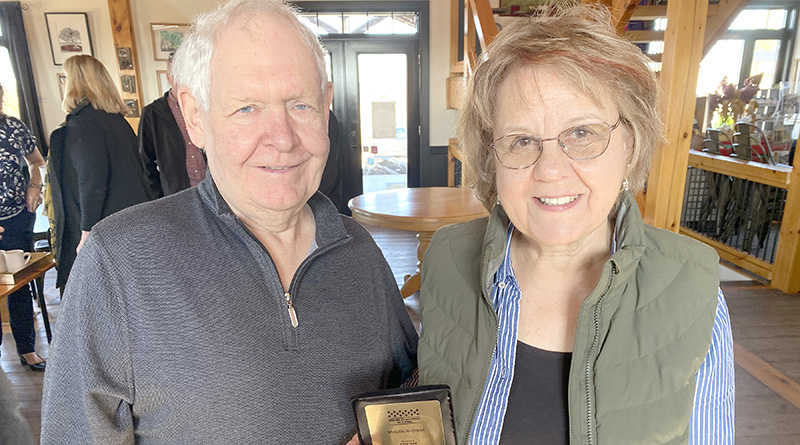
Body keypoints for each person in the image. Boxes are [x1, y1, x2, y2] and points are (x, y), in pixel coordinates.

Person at [40, 1, 417, 443]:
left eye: (300, 105)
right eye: (247, 108)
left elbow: (408, 398)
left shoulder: (358, 248)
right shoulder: (117, 265)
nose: (281, 138)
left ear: (326, 106)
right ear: (195, 117)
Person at [418, 5, 734, 444]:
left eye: (582, 134)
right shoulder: (447, 259)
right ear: (492, 157)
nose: (550, 170)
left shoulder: (692, 288)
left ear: (631, 142)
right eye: (522, 140)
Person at [47, 55, 151, 290]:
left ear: (74, 82)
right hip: (130, 222)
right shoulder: (117, 121)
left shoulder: (82, 124)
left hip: (106, 227)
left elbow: (92, 182)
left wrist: (86, 232)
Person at [0, 85, 47, 371]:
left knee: (17, 281)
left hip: (18, 216)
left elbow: (37, 162)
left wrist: (34, 185)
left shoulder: (14, 127)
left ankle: (27, 348)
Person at [138, 52, 207, 198]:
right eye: (178, 76)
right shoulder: (153, 113)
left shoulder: (206, 106)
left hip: (210, 191)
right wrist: (157, 198)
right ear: (169, 77)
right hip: (176, 194)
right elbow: (145, 163)